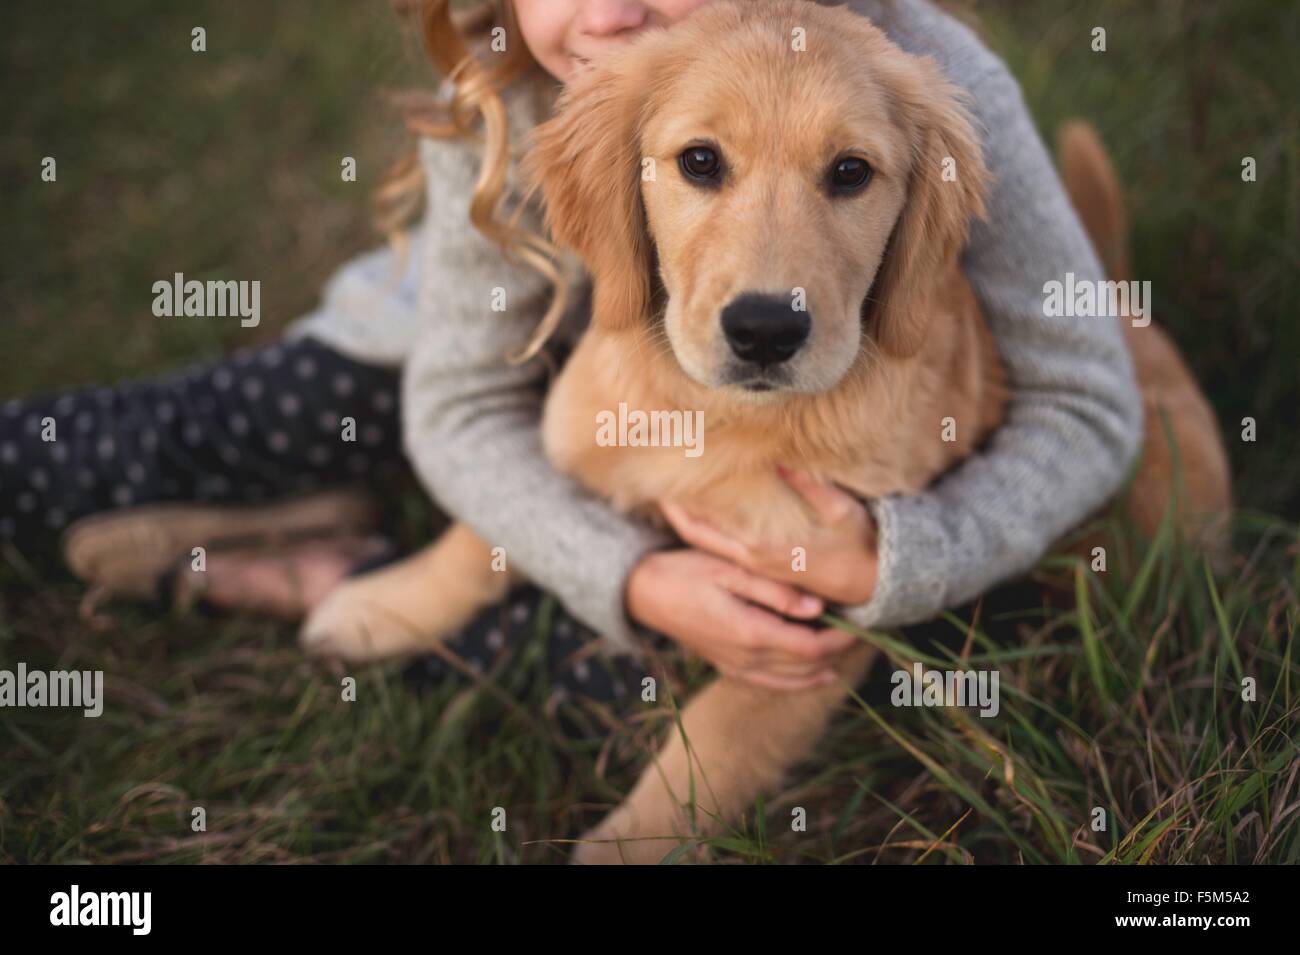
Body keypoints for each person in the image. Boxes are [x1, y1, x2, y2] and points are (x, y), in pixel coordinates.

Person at [1, 0, 1142, 698]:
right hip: (417, 369)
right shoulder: (509, 78)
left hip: (697, 431)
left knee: (656, 683)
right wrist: (626, 574)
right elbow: (455, 410)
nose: (600, 13)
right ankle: (316, 496)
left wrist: (905, 561)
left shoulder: (921, 81)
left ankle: (302, 564)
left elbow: (1089, 401)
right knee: (83, 452)